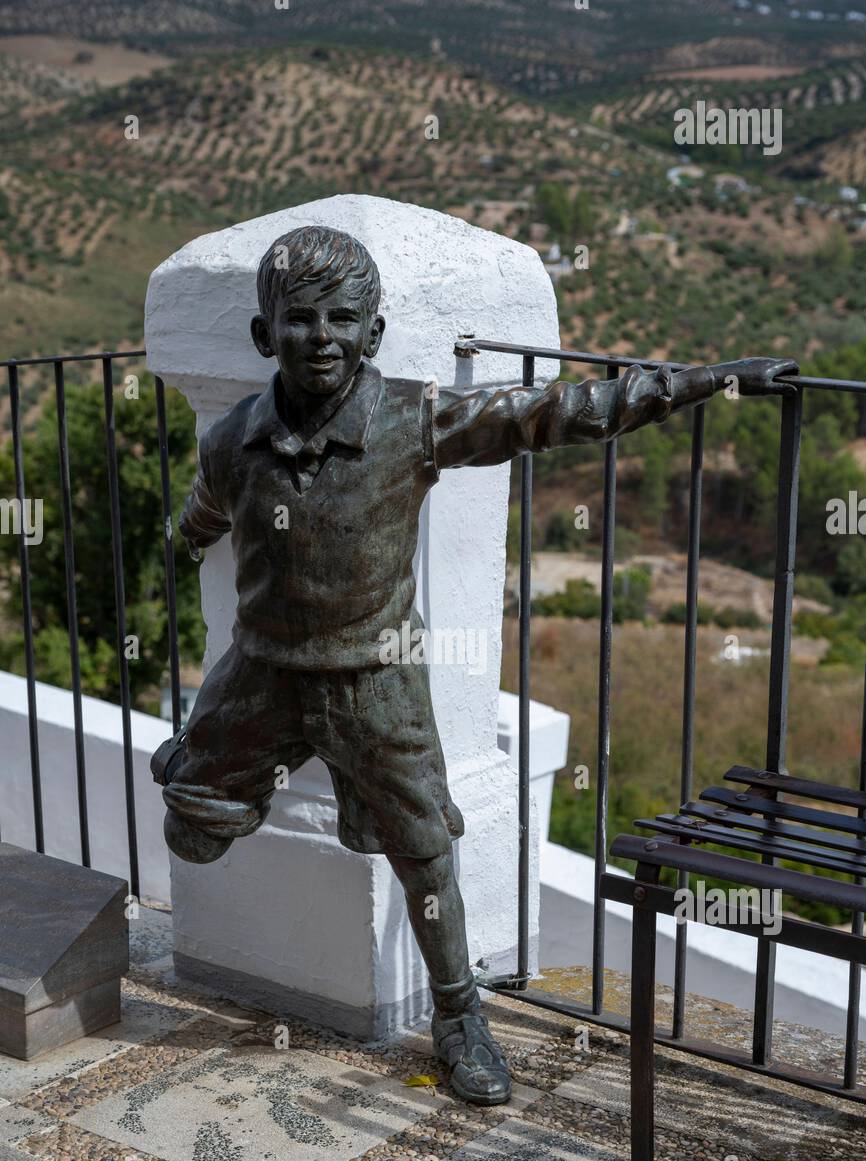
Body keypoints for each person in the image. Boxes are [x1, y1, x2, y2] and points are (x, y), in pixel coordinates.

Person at [152, 223, 797, 1106]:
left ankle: (459, 1017)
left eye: (345, 319)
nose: (324, 338)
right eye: (301, 320)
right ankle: (227, 772)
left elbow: (561, 413)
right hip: (258, 672)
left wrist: (704, 381)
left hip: (377, 678)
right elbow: (208, 506)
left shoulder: (411, 426)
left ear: (374, 335)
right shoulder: (231, 440)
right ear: (268, 336)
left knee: (425, 857)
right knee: (189, 831)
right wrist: (183, 539)